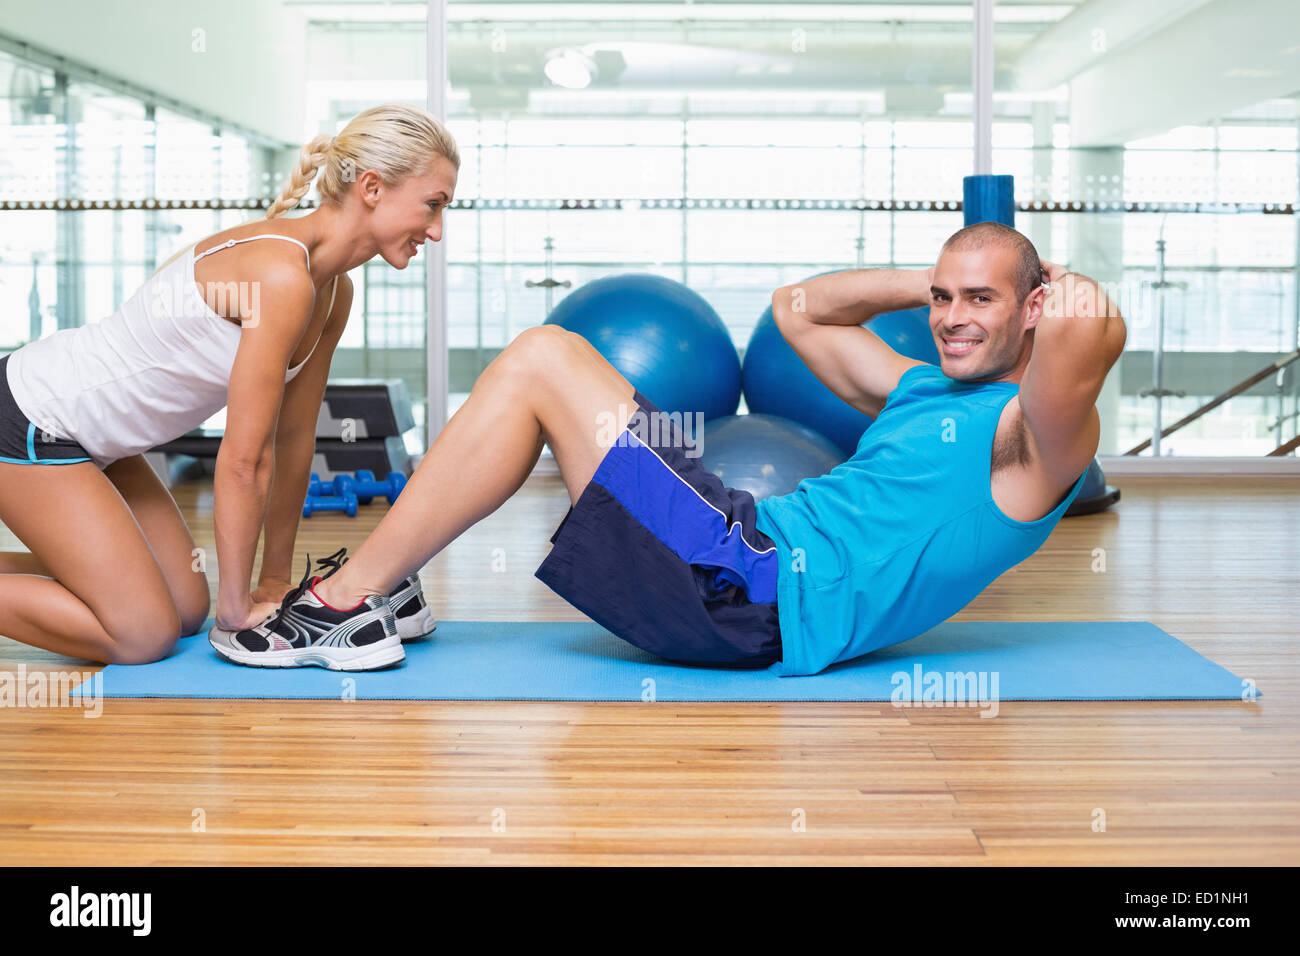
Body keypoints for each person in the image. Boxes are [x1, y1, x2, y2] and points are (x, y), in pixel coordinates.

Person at [210, 220, 1127, 677]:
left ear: (1033, 307)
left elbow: (1088, 331)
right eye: (943, 299)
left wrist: (1048, 291)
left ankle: (344, 601)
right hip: (740, 547)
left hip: (760, 595)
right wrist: (942, 276)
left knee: (543, 360)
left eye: (982, 301)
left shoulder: (1028, 442)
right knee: (544, 364)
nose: (952, 320)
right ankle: (384, 588)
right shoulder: (921, 383)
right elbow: (797, 310)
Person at [0, 103, 455, 666]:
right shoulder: (278, 275)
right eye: (433, 205)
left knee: (183, 605)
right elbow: (245, 459)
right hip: (35, 419)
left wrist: (273, 585)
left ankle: (100, 574)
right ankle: (108, 582)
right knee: (143, 634)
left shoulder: (333, 291)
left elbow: (293, 442)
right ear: (371, 187)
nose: (436, 230)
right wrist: (237, 614)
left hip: (105, 444)